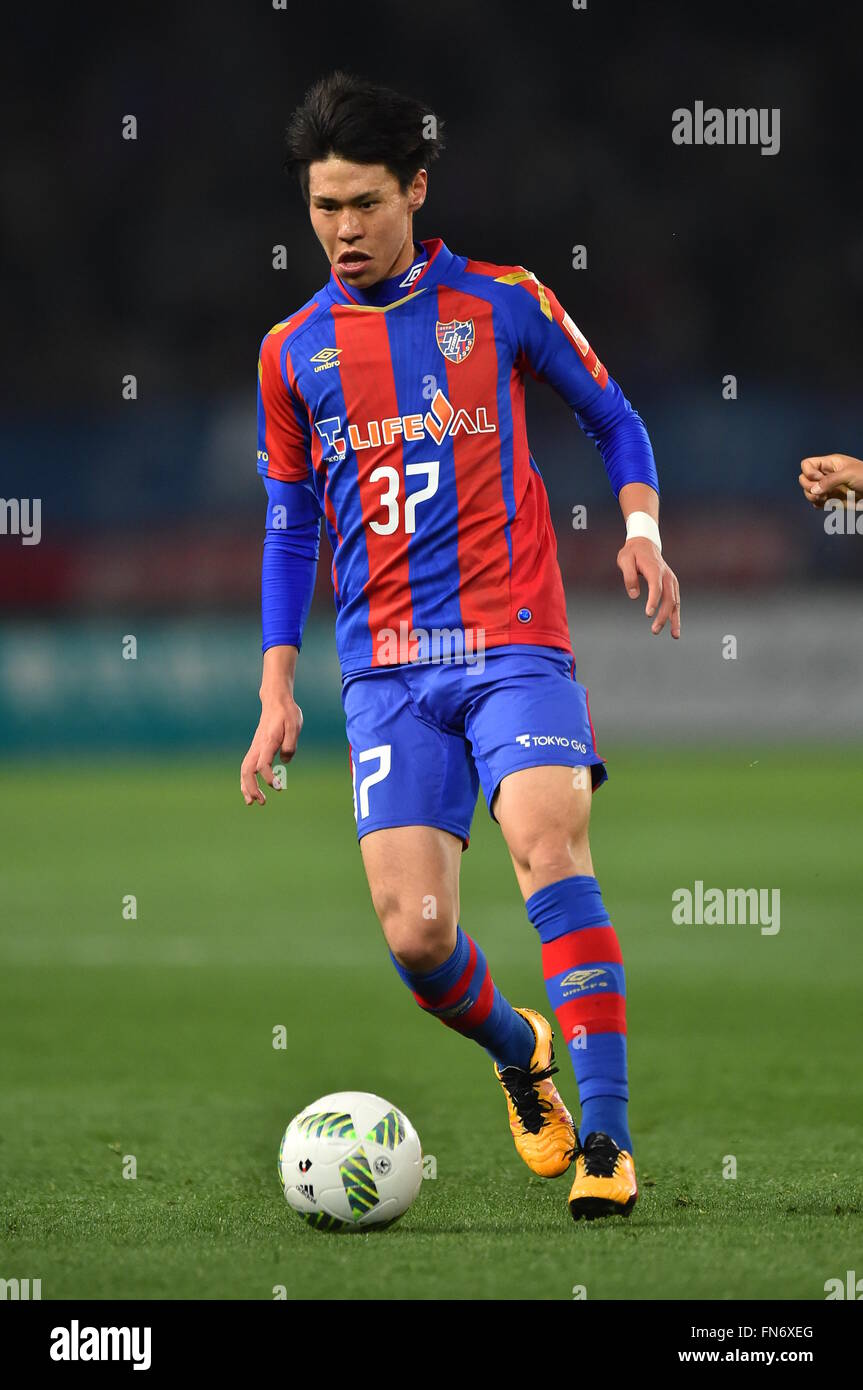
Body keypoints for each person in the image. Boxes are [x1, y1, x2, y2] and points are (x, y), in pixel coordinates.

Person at [240, 71, 681, 1222]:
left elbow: (613, 416)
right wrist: (278, 683)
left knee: (546, 842)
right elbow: (290, 524)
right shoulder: (290, 352)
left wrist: (637, 529)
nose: (342, 228)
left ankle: (605, 1139)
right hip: (384, 670)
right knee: (418, 939)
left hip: (510, 640)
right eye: (323, 206)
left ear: (415, 191)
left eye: (364, 203)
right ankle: (516, 1048)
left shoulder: (501, 301)